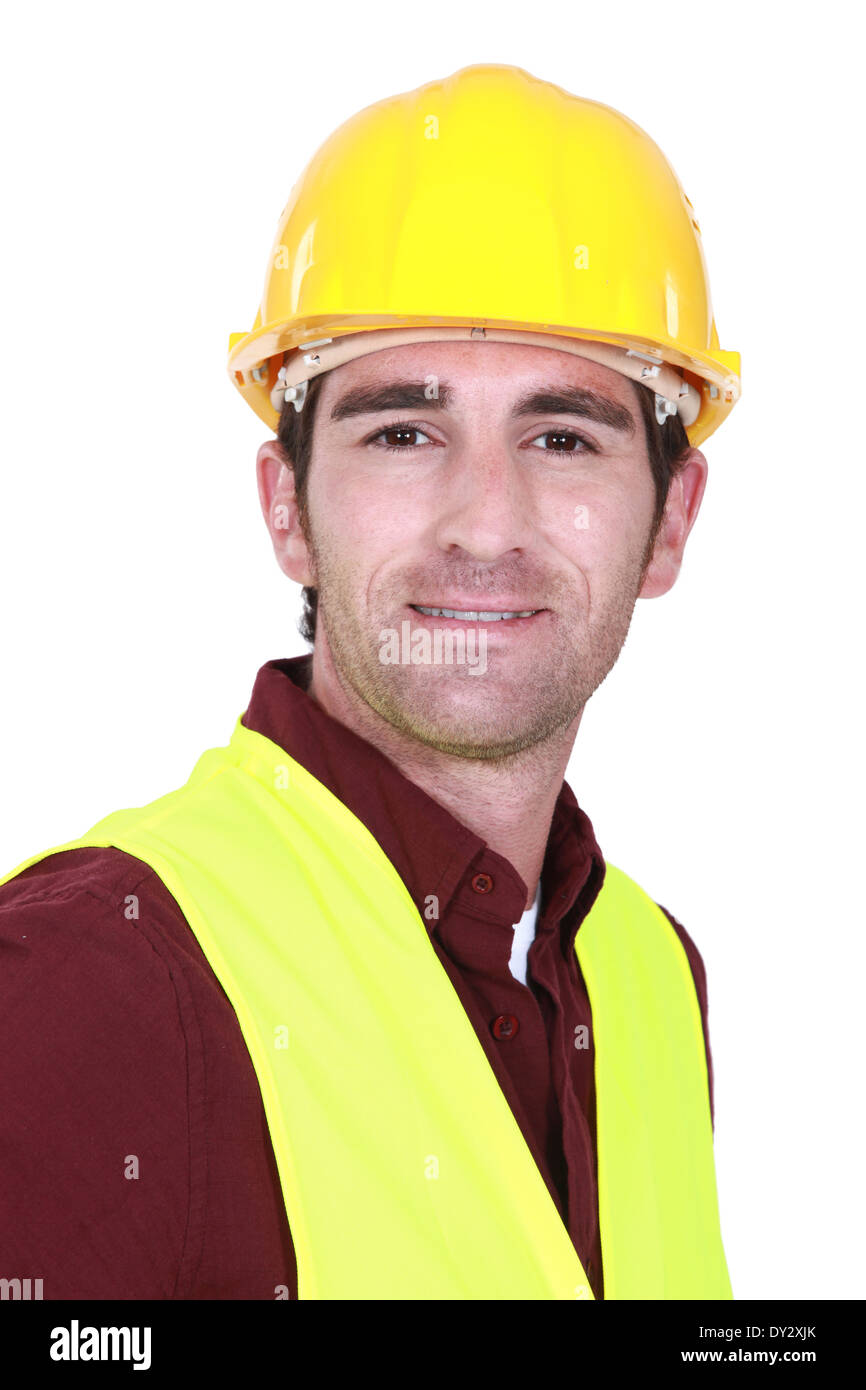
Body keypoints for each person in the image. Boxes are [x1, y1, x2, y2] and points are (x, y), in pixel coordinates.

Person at [0, 63, 740, 1300]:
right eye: (403, 431)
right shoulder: (91, 980)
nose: (483, 523)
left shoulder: (646, 977)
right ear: (286, 508)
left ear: (669, 523)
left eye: (561, 436)